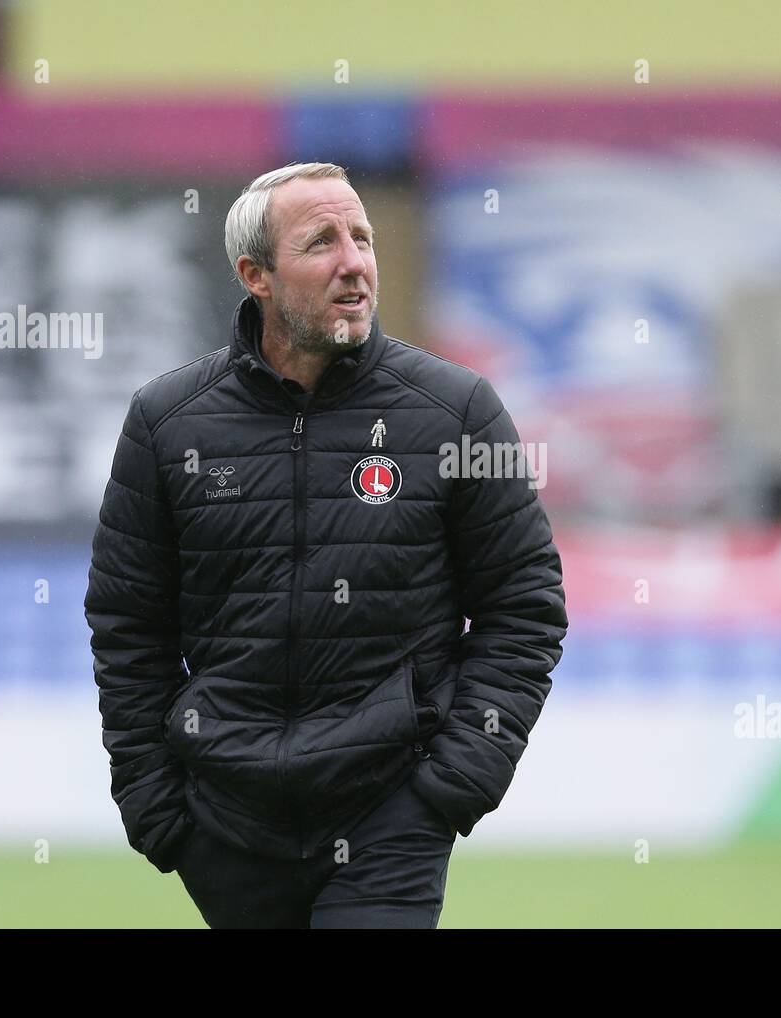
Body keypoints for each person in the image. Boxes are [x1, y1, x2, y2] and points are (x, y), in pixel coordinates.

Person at [83, 162, 567, 928]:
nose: (354, 261)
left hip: (390, 820)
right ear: (257, 275)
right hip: (226, 829)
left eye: (362, 237)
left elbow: (525, 609)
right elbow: (127, 626)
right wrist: (158, 812)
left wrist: (453, 785)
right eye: (321, 242)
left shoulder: (458, 412)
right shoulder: (166, 422)